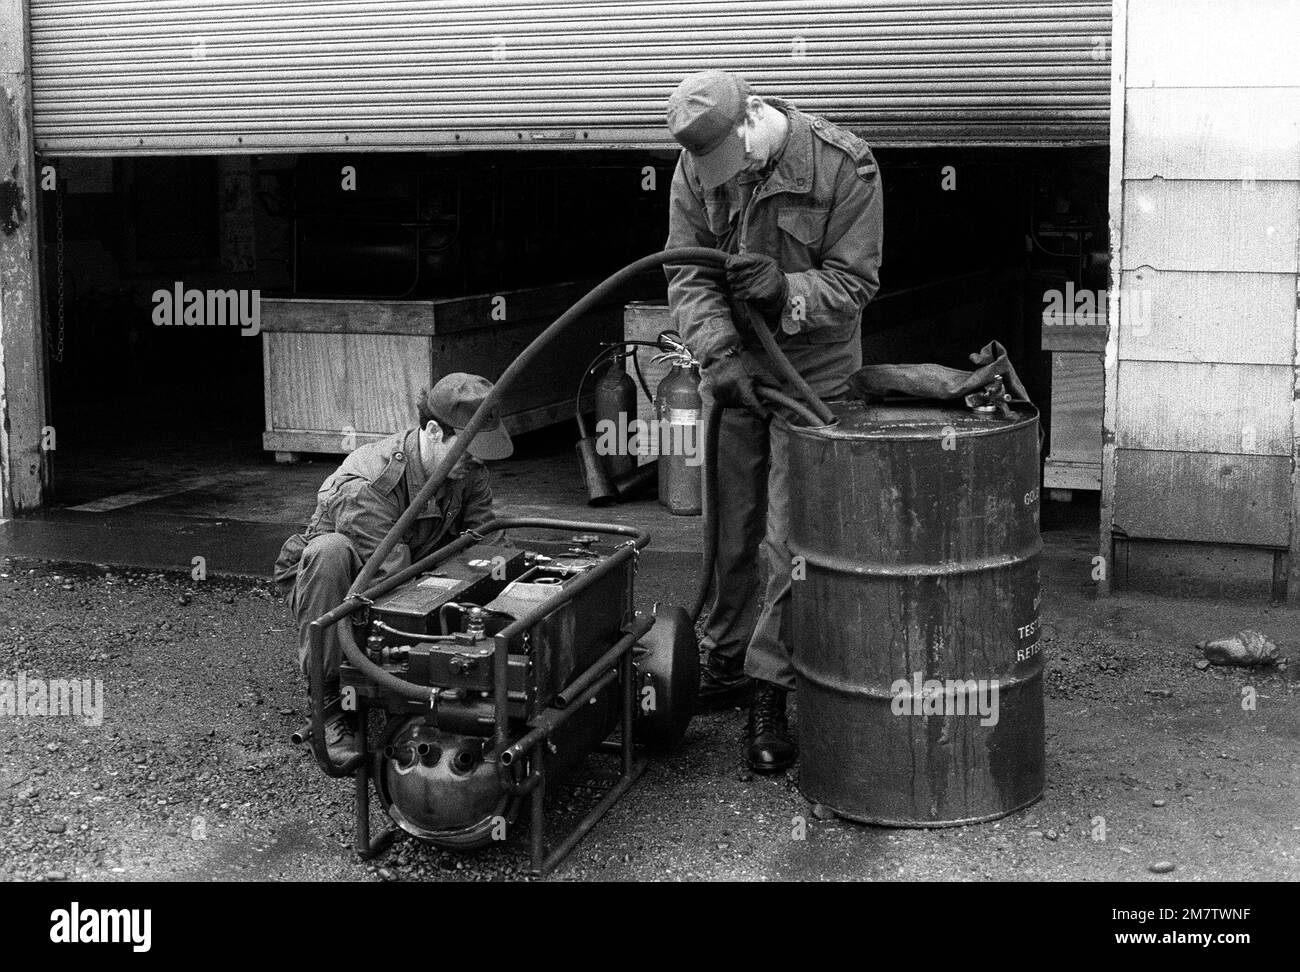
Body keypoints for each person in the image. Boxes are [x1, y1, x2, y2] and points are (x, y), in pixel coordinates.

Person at [663, 70, 884, 772]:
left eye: (741, 160)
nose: (732, 177)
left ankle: (770, 685)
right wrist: (717, 351)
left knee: (788, 536)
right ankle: (726, 659)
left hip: (811, 372)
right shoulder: (696, 165)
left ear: (756, 113)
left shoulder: (845, 165)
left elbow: (856, 283)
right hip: (736, 364)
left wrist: (787, 287)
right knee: (730, 525)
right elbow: (686, 272)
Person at [272, 373, 513, 761]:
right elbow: (390, 575)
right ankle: (328, 701)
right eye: (468, 449)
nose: (477, 461)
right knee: (329, 552)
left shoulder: (467, 470)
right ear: (434, 431)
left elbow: (487, 541)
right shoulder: (370, 481)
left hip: (411, 569)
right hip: (345, 583)